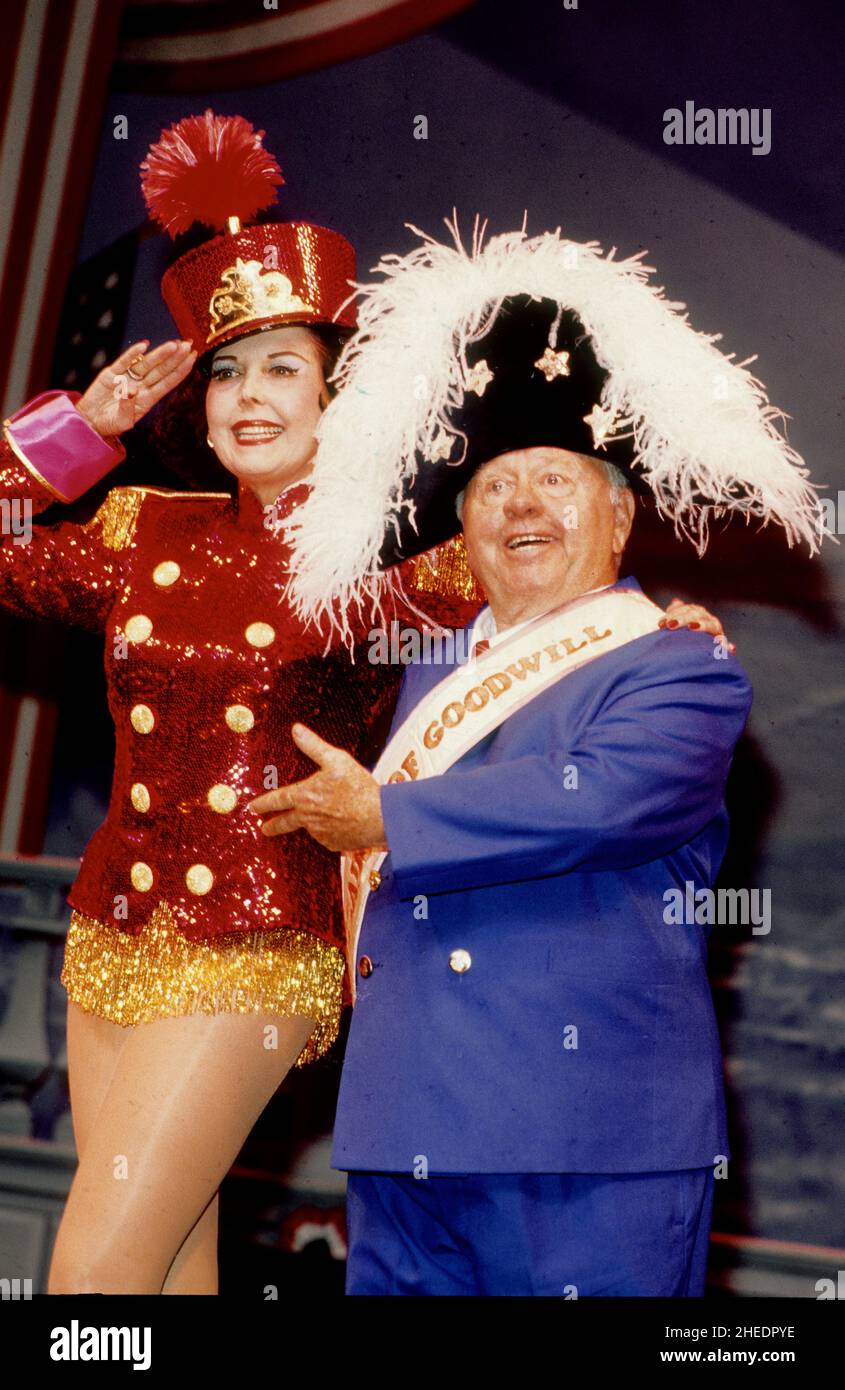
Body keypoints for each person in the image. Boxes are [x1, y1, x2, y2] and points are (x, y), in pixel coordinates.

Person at [251, 220, 820, 1295]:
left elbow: (596, 801)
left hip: (580, 1139)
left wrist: (390, 822)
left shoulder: (677, 668)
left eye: (555, 481)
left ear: (618, 513)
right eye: (492, 487)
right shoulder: (409, 672)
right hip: (399, 1127)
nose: (520, 505)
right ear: (457, 531)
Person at [0, 110, 477, 1295]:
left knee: (95, 1266)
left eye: (281, 368)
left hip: (262, 944)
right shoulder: (137, 525)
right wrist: (76, 435)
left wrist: (642, 619)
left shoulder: (379, 571)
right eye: (225, 370)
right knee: (168, 1263)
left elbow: (537, 594)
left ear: (338, 396)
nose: (247, 396)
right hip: (113, 922)